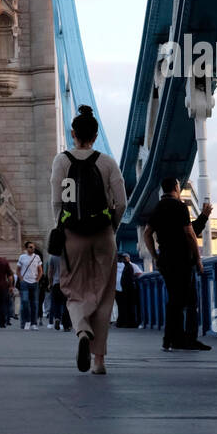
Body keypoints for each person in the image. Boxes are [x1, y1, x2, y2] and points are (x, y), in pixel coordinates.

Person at [50, 104, 127, 375]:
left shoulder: (61, 161)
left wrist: (61, 228)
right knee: (104, 295)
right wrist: (112, 228)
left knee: (73, 289)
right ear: (95, 135)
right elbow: (122, 202)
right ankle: (99, 361)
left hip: (73, 234)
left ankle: (82, 330)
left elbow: (57, 202)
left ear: (73, 133)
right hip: (103, 233)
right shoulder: (107, 162)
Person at [142, 178, 212, 351]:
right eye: (179, 186)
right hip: (181, 260)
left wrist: (155, 256)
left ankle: (175, 340)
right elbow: (189, 234)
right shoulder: (180, 207)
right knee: (188, 302)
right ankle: (184, 339)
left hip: (165, 260)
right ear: (175, 187)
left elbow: (147, 234)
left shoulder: (158, 208)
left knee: (175, 300)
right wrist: (197, 259)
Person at [16, 241, 42, 329]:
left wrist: (38, 279)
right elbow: (18, 270)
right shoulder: (22, 257)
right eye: (30, 247)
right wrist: (21, 279)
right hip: (25, 283)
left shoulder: (37, 257)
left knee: (34, 304)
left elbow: (40, 270)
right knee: (25, 302)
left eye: (33, 247)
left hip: (34, 283)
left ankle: (34, 323)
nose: (32, 248)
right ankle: (26, 321)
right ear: (26, 248)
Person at [46, 250, 71, 330]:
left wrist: (50, 283)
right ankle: (66, 325)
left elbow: (50, 272)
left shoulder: (53, 257)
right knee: (66, 304)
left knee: (56, 303)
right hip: (67, 283)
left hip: (56, 283)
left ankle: (57, 318)